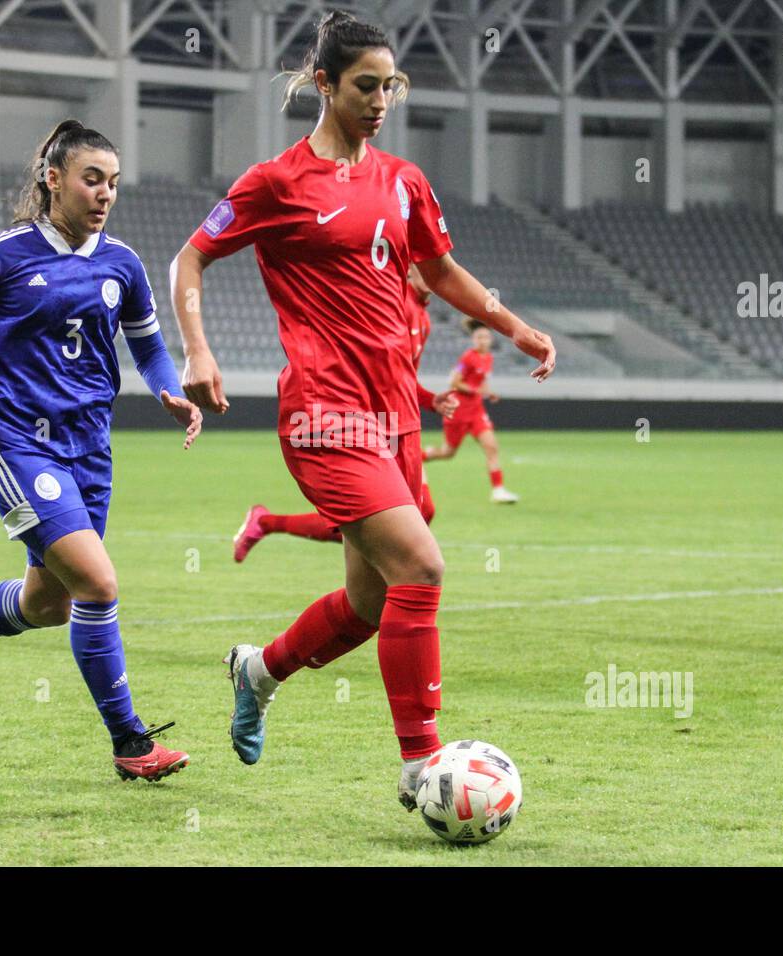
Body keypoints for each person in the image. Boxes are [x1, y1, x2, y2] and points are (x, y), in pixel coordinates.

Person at [169, 11, 554, 809]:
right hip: (325, 414)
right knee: (423, 568)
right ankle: (422, 767)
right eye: (366, 86)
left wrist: (514, 328)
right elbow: (191, 258)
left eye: (392, 86)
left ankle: (258, 670)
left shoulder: (405, 180)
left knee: (369, 606)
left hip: (396, 420)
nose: (382, 100)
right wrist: (197, 350)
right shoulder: (275, 183)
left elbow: (441, 271)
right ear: (325, 85)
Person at [0, 120, 203, 782]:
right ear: (53, 179)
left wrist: (168, 390)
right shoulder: (2, 255)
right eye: (92, 178)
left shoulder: (121, 264)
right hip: (15, 441)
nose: (105, 194)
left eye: (113, 183)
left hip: (88, 449)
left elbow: (149, 345)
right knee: (98, 583)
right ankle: (131, 745)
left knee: (51, 605)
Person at [232, 267, 456, 561]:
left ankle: (267, 523)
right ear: (410, 268)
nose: (437, 270)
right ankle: (268, 523)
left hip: (396, 418)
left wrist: (429, 400)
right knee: (388, 519)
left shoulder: (422, 316)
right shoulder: (396, 304)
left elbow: (402, 375)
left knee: (413, 514)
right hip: (370, 418)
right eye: (429, 265)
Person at [423, 319, 519, 503]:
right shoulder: (467, 358)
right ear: (473, 339)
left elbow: (481, 382)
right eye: (479, 337)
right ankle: (416, 457)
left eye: (485, 336)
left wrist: (487, 392)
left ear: (490, 339)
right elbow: (454, 382)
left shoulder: (488, 358)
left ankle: (498, 490)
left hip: (476, 410)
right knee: (447, 453)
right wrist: (475, 390)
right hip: (458, 410)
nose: (483, 340)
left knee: (491, 447)